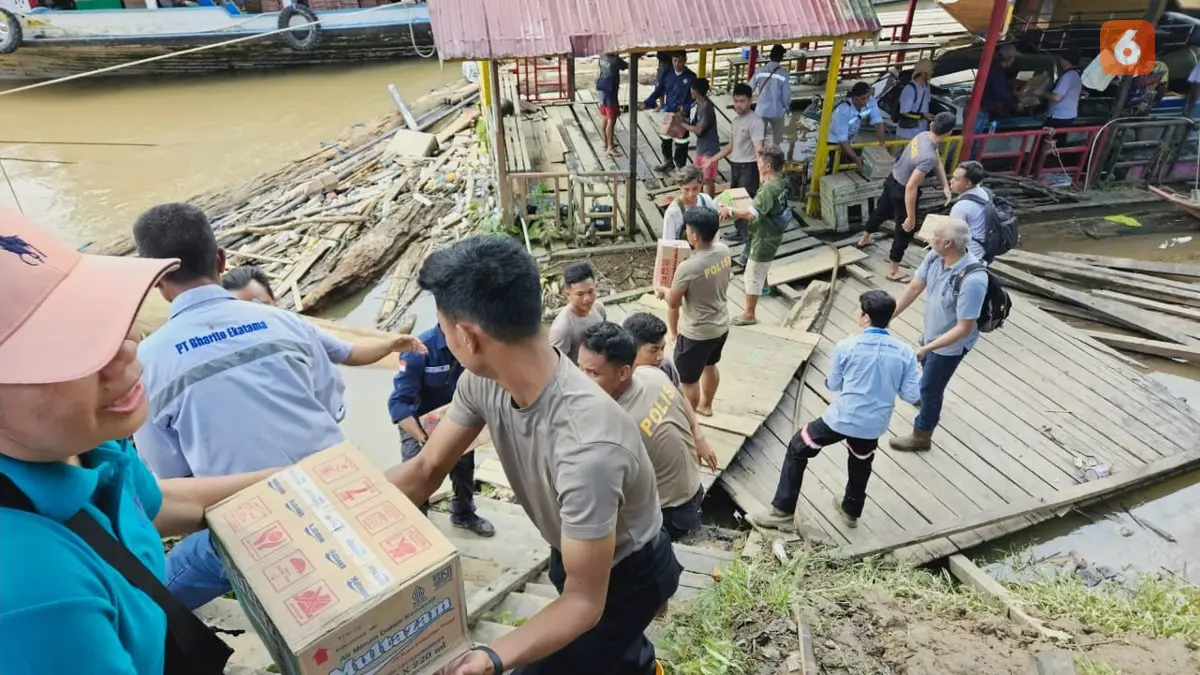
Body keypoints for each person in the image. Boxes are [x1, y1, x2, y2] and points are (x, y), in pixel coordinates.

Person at [386, 235, 681, 675]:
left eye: (444, 328)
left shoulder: (587, 445)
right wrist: (338, 507)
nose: (444, 340)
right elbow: (426, 468)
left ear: (467, 337)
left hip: (629, 572)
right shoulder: (483, 381)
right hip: (570, 544)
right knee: (611, 652)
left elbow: (583, 602)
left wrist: (491, 656)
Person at [0, 209, 279, 674]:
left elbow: (149, 500)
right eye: (66, 346)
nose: (125, 348)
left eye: (100, 315)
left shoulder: (82, 445)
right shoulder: (33, 592)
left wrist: (293, 481)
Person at [130, 203, 421, 610]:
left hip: (250, 525)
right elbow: (330, 403)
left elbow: (171, 480)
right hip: (339, 490)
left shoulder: (147, 362)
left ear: (156, 279)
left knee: (146, 599)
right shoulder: (287, 323)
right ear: (219, 260)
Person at [751, 290, 920, 531]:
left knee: (798, 446)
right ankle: (851, 512)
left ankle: (782, 512)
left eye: (859, 310)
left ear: (865, 318)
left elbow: (834, 384)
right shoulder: (906, 352)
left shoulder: (847, 346)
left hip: (841, 419)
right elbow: (911, 395)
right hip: (874, 424)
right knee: (862, 460)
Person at [578, 323, 719, 542]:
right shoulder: (651, 374)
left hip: (669, 511)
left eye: (593, 373)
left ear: (624, 372)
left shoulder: (616, 424)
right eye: (580, 369)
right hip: (691, 489)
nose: (582, 380)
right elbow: (682, 397)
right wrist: (698, 436)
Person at [386, 323, 495, 537]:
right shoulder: (418, 350)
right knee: (417, 472)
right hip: (418, 423)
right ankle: (418, 524)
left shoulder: (472, 342)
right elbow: (398, 404)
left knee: (463, 468)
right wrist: (424, 440)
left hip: (456, 416)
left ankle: (463, 513)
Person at [889, 217, 987, 452]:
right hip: (933, 331)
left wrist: (927, 348)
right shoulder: (935, 256)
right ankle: (925, 390)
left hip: (950, 345)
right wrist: (888, 316)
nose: (929, 239)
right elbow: (914, 287)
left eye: (935, 236)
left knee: (932, 390)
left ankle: (922, 435)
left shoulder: (973, 280)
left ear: (948, 243)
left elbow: (963, 328)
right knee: (927, 371)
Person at [222, 264, 427, 369]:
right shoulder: (224, 353)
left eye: (263, 306)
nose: (258, 316)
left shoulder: (297, 329)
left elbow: (350, 353)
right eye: (247, 310)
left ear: (274, 299)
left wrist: (389, 345)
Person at [855, 112, 955, 284]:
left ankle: (864, 239)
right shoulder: (927, 157)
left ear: (932, 125)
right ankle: (893, 270)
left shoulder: (922, 136)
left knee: (881, 211)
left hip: (892, 179)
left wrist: (945, 184)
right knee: (906, 229)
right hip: (903, 190)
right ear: (949, 133)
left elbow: (937, 160)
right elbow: (911, 186)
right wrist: (911, 216)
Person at [659, 206, 731, 417]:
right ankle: (706, 406)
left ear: (694, 236)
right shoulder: (724, 251)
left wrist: (663, 290)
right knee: (711, 365)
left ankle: (689, 421)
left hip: (696, 332)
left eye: (688, 229)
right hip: (720, 325)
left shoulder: (689, 268)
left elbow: (673, 302)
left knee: (688, 380)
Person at [719, 145, 790, 326]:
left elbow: (752, 214)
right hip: (772, 233)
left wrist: (731, 210)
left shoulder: (767, 190)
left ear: (767, 167)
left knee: (752, 273)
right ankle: (764, 288)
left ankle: (749, 314)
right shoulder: (779, 182)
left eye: (760, 162)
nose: (757, 164)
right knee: (762, 264)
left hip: (764, 236)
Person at [705, 83, 766, 246]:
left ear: (750, 101)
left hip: (749, 166)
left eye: (742, 101)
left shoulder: (756, 122)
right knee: (736, 199)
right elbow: (732, 145)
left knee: (746, 200)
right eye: (736, 101)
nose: (738, 105)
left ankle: (748, 237)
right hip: (736, 165)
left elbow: (759, 149)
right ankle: (740, 231)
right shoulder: (736, 120)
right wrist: (713, 159)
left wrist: (764, 174)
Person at [641, 52, 696, 173]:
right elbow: (659, 90)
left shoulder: (691, 77)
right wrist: (647, 102)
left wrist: (684, 110)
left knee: (681, 142)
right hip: (668, 111)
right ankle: (668, 162)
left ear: (685, 60)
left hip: (682, 115)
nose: (677, 64)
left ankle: (681, 168)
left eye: (680, 61)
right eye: (675, 60)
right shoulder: (667, 73)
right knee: (665, 138)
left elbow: (693, 98)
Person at [548, 261, 607, 363]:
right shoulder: (562, 329)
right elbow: (554, 365)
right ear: (568, 295)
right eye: (580, 294)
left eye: (590, 291)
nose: (587, 298)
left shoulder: (598, 308)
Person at [828, 82, 887, 172]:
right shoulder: (843, 111)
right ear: (855, 98)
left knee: (859, 162)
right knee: (838, 167)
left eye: (868, 97)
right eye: (863, 99)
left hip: (851, 139)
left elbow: (878, 122)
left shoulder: (870, 101)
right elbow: (842, 139)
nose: (867, 101)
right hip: (834, 141)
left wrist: (882, 142)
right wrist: (855, 158)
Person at [680, 77, 720, 196]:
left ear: (696, 91)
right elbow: (693, 122)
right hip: (701, 147)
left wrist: (681, 124)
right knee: (698, 176)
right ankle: (700, 198)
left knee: (708, 179)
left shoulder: (706, 107)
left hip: (709, 148)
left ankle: (709, 202)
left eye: (692, 90)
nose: (690, 92)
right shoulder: (698, 104)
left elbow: (699, 130)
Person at [622, 311, 682, 387]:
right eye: (654, 350)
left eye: (662, 348)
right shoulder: (621, 380)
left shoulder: (666, 366)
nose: (661, 357)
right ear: (632, 349)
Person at [948, 161, 991, 262]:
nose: (951, 181)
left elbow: (951, 235)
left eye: (956, 179)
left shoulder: (962, 206)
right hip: (984, 249)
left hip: (967, 254)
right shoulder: (984, 193)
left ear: (968, 184)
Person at [750, 44, 792, 147]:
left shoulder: (759, 71)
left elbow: (749, 88)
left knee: (759, 141)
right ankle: (773, 161)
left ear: (770, 55)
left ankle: (758, 161)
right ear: (781, 58)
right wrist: (787, 107)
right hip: (777, 111)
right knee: (776, 142)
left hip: (761, 111)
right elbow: (786, 96)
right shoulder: (784, 74)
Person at [662, 166, 716, 241]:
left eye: (695, 188)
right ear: (680, 187)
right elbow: (668, 241)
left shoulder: (706, 200)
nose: (691, 193)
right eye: (686, 189)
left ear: (701, 184)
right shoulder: (673, 212)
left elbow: (715, 228)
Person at [979, 44, 1022, 131]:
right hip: (984, 109)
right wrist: (1015, 105)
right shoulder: (997, 72)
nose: (1013, 61)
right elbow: (1000, 94)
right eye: (1013, 58)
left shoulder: (994, 68)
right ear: (1010, 58)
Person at [597, 52, 629, 157]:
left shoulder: (601, 56)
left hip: (602, 90)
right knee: (611, 120)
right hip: (611, 93)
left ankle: (605, 142)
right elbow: (626, 66)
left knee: (604, 118)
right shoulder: (615, 60)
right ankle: (610, 147)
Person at [895, 59, 936, 142]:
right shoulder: (909, 89)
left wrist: (927, 115)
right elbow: (904, 112)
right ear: (923, 73)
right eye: (930, 71)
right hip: (907, 134)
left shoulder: (926, 87)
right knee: (903, 154)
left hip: (920, 133)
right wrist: (923, 116)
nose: (932, 73)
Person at [1042, 50, 1082, 130]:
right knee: (1059, 140)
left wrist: (1041, 93)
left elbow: (1056, 97)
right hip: (1070, 114)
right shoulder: (1077, 74)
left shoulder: (1067, 76)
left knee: (1049, 141)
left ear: (1065, 61)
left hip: (1059, 115)